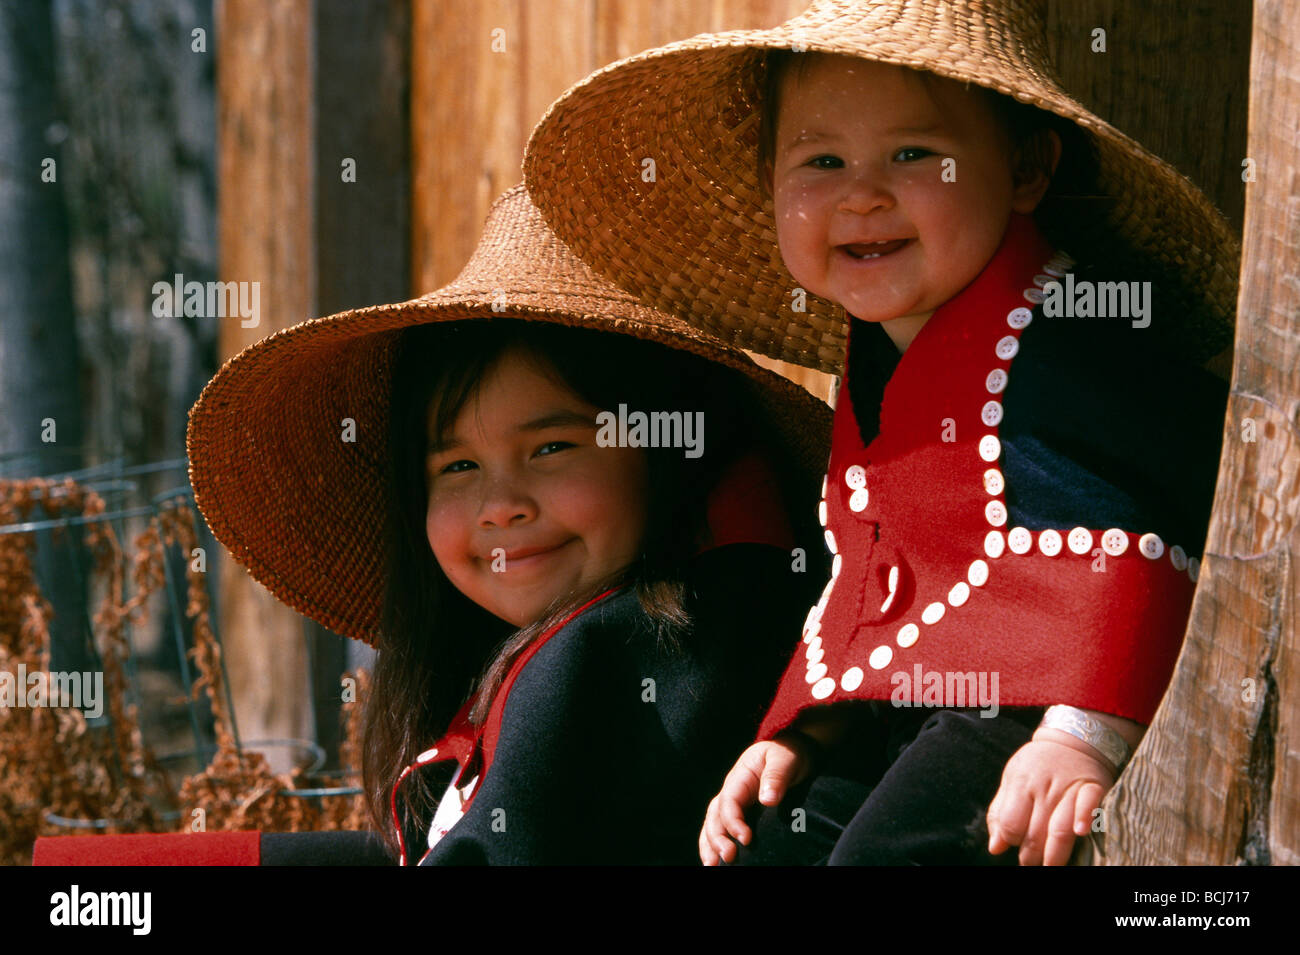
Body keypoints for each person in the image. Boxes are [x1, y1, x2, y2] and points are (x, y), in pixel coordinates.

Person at [521, 0, 1235, 865]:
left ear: (1024, 169)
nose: (862, 194)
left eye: (914, 154)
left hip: (1033, 700)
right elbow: (877, 578)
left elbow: (1143, 544)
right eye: (822, 159)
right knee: (769, 844)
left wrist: (1084, 734)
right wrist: (806, 732)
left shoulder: (1066, 343)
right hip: (922, 693)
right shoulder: (876, 364)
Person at [185, 184, 831, 865]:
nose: (501, 505)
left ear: (669, 453)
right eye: (458, 466)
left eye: (551, 448)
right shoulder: (560, 650)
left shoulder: (627, 659)